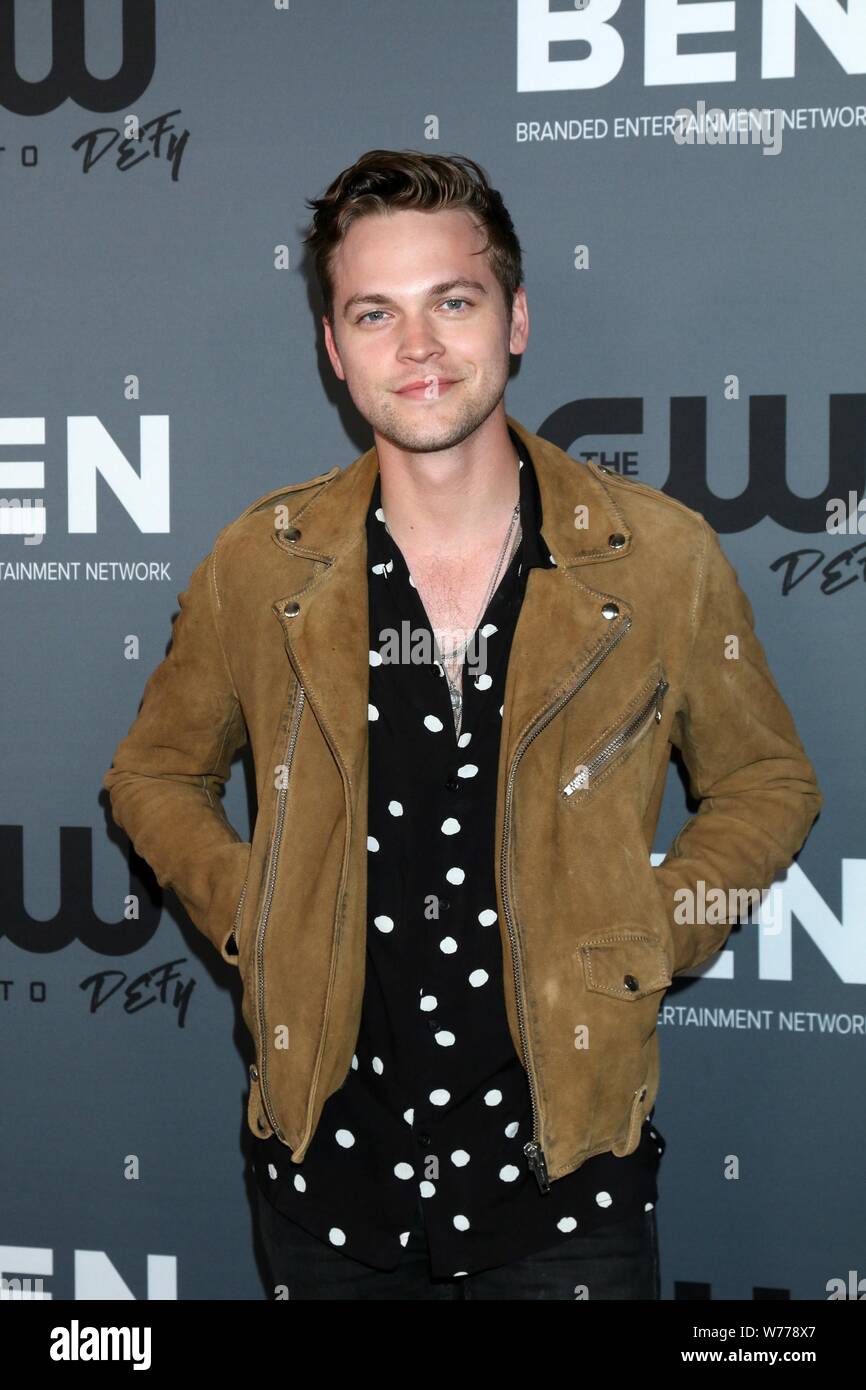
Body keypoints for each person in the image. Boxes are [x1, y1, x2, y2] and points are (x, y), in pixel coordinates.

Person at [103, 149, 822, 1301]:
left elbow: (766, 782)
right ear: (335, 352)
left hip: (567, 1184)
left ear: (514, 317)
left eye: (453, 300)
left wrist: (651, 930)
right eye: (374, 313)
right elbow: (151, 773)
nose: (419, 346)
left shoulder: (657, 558)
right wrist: (259, 912)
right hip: (324, 1185)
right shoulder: (262, 562)